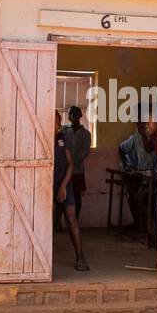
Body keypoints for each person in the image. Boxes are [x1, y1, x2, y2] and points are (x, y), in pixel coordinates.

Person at [54, 112, 89, 271]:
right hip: (46, 184)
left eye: (58, 121)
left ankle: (80, 256)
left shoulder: (62, 138)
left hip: (64, 183)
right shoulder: (39, 136)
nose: (57, 125)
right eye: (55, 122)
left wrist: (62, 186)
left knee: (71, 219)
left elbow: (70, 164)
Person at [119, 119, 157, 240]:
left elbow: (148, 149)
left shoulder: (153, 136)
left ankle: (151, 228)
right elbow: (121, 148)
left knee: (147, 201)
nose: (141, 127)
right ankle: (145, 226)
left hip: (154, 174)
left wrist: (143, 135)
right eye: (138, 125)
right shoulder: (135, 137)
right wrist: (127, 165)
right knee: (137, 197)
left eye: (144, 124)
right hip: (142, 174)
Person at [64, 105, 91, 218]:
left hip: (77, 170)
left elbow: (84, 152)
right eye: (70, 114)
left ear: (80, 115)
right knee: (62, 195)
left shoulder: (86, 134)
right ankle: (58, 223)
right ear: (68, 117)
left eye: (75, 114)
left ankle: (76, 221)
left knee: (76, 196)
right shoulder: (64, 131)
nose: (73, 116)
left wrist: (70, 161)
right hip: (64, 170)